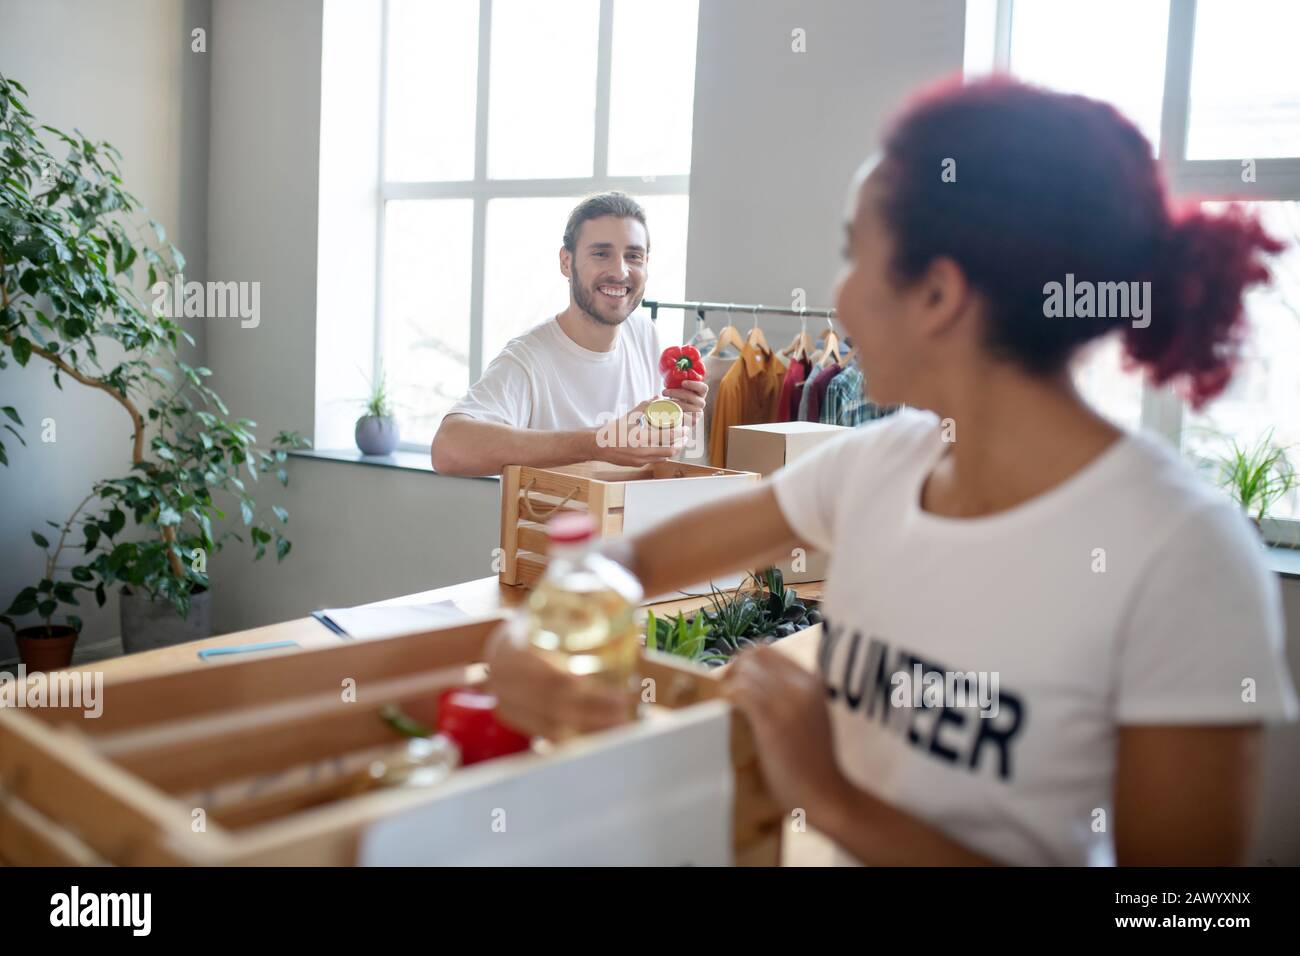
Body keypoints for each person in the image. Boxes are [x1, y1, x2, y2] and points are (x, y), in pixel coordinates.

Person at [485, 78, 1298, 866]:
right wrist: (555, 624)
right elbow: (638, 557)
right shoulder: (879, 463)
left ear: (938, 294)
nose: (835, 305)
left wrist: (830, 795)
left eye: (854, 259)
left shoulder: (1182, 554)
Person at [430, 192, 707, 476]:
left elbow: (644, 453)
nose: (620, 271)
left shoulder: (646, 337)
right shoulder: (528, 359)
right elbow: (448, 449)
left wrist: (677, 419)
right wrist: (595, 443)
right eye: (601, 254)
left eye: (633, 256)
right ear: (566, 262)